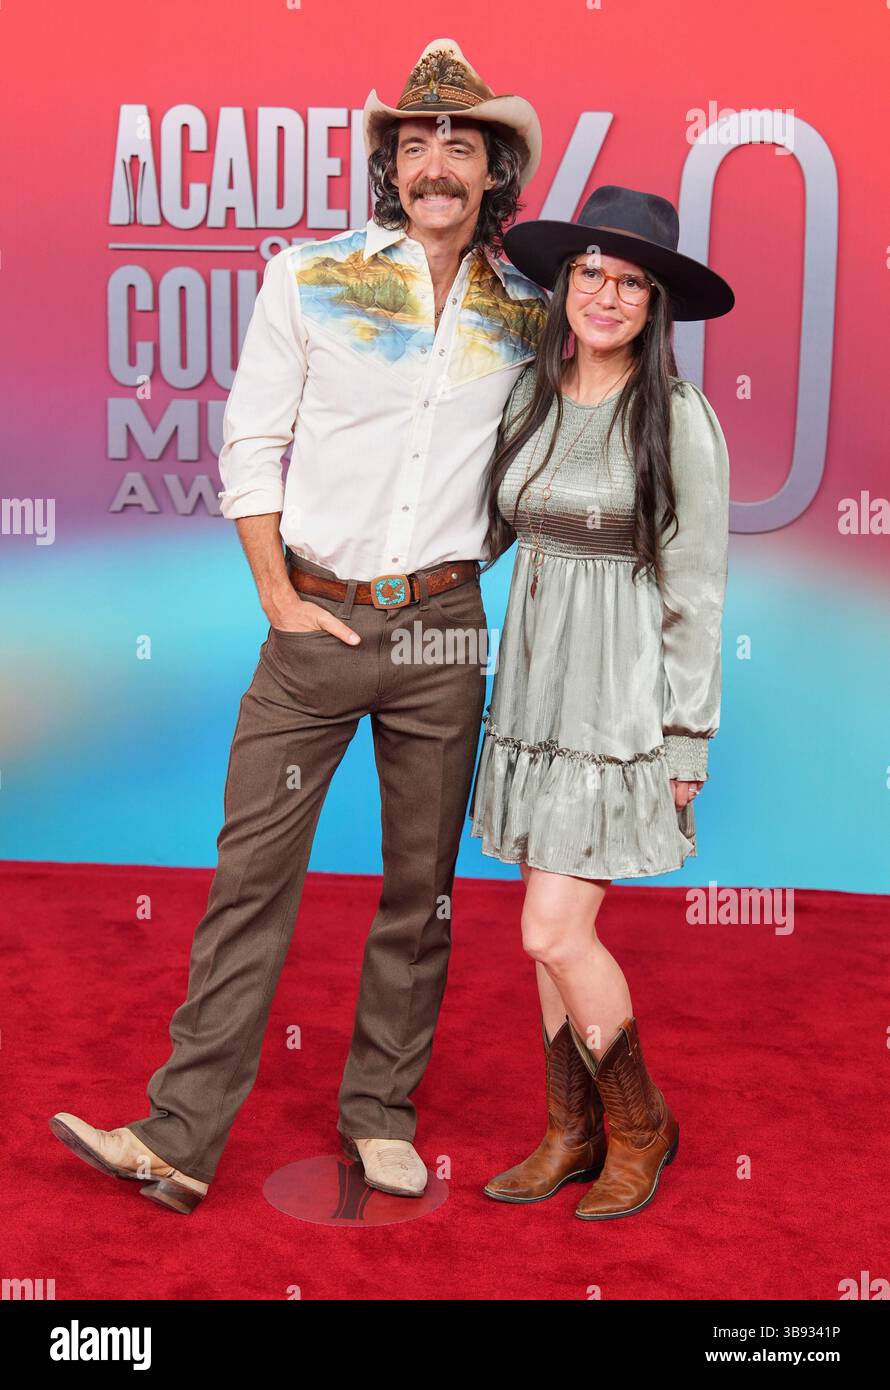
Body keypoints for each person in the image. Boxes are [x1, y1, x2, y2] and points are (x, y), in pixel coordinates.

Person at [48, 37, 548, 1213]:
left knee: (421, 887)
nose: (435, 161)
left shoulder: (528, 310)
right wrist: (279, 595)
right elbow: (251, 443)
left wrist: (460, 576)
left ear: (492, 171)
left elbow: (541, 464)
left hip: (440, 637)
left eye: (459, 145)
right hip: (309, 618)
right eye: (415, 142)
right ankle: (177, 1134)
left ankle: (380, 1110)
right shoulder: (309, 277)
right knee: (251, 877)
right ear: (390, 164)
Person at [468, 184, 734, 1220]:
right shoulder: (527, 397)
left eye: (630, 282)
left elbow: (696, 592)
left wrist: (685, 738)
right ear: (562, 284)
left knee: (549, 932)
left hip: (616, 706)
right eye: (590, 273)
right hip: (532, 690)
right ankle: (569, 1132)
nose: (607, 295)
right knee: (541, 934)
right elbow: (486, 526)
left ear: (653, 302)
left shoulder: (674, 417)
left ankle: (639, 1125)